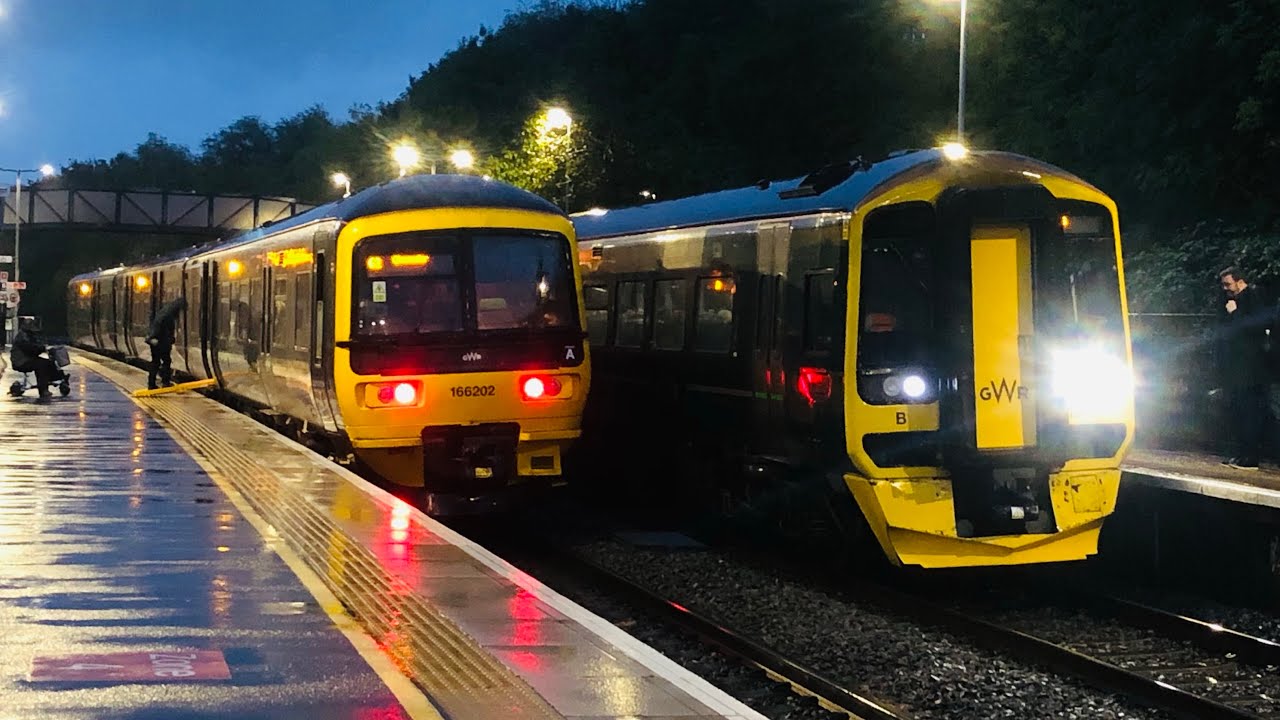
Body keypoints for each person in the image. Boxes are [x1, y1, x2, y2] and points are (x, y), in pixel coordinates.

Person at [1216, 267, 1271, 469]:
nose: (1226, 289)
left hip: (1251, 367)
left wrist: (1235, 313)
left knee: (1250, 411)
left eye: (1228, 284)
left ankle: (1250, 456)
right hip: (1236, 366)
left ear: (1240, 281)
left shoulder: (1254, 298)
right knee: (1237, 409)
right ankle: (1240, 453)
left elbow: (1255, 327)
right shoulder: (1230, 301)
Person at [10, 316, 59, 401]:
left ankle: (54, 379)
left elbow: (33, 347)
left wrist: (41, 348)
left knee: (46, 362)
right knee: (41, 365)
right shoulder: (23, 337)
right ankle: (43, 390)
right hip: (21, 362)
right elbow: (30, 349)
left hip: (25, 360)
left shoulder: (26, 335)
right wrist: (41, 348)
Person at [146, 297, 186, 390]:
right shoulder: (169, 316)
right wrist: (168, 339)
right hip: (159, 341)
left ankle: (152, 383)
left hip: (156, 340)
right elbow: (165, 329)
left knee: (156, 362)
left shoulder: (165, 311)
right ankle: (164, 382)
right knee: (165, 361)